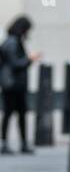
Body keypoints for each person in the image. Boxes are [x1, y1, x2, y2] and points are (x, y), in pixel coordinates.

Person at [0, 16, 40, 154]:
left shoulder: (13, 41)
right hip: (12, 85)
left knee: (19, 114)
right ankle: (5, 144)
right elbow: (15, 64)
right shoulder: (12, 42)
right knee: (9, 114)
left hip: (15, 85)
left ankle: (22, 143)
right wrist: (29, 59)